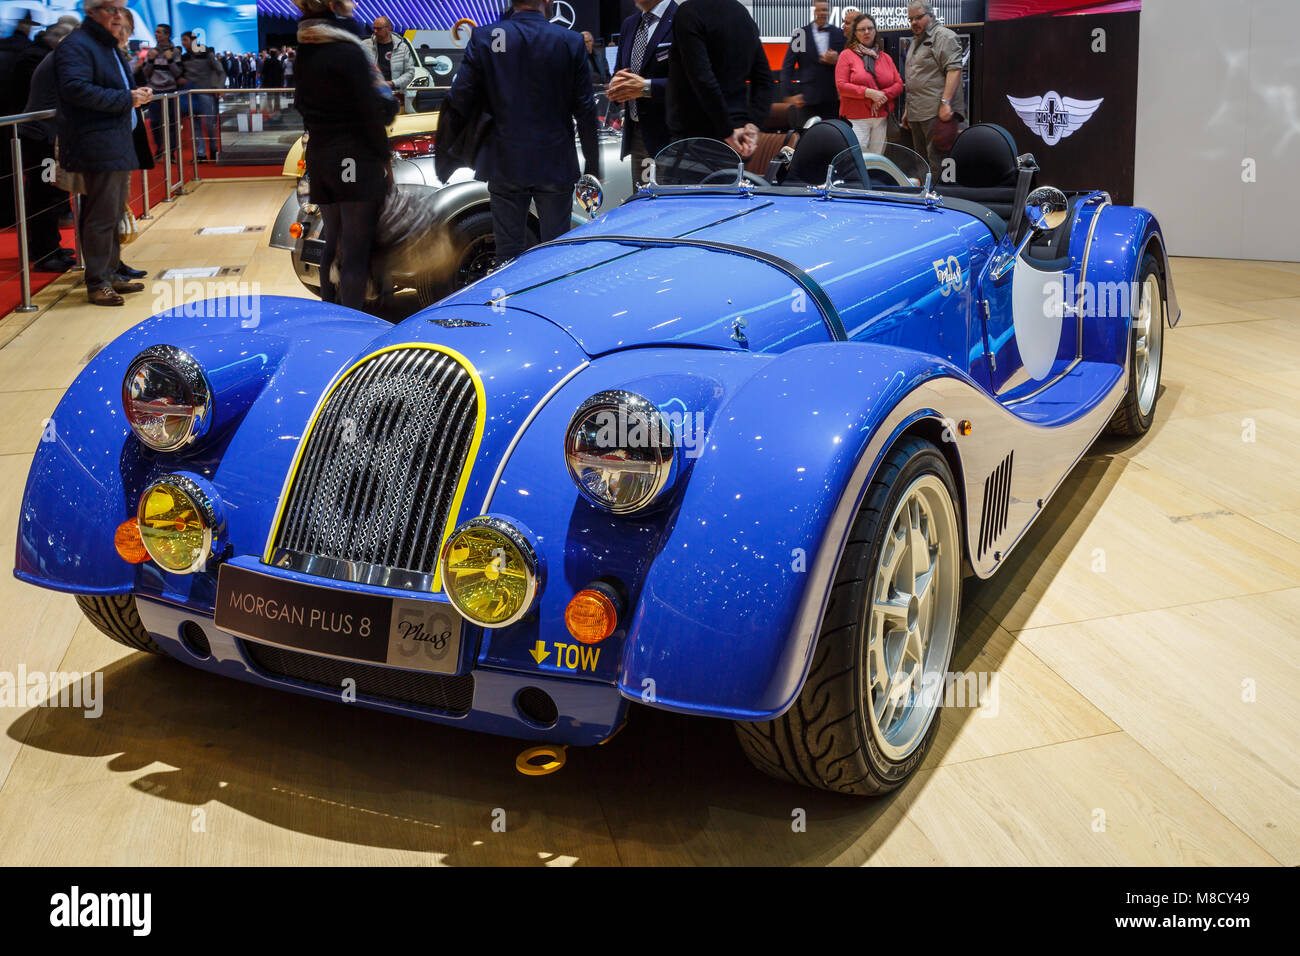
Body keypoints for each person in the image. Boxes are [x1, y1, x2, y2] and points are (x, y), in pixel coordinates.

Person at [445, 0, 600, 264]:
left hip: (504, 160)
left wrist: (462, 152)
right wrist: (593, 167)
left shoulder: (485, 37)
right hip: (554, 161)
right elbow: (585, 110)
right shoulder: (570, 41)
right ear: (547, 2)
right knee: (556, 254)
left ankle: (512, 303)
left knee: (508, 256)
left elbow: (460, 98)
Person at [293, 0, 398, 310]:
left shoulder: (305, 50)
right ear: (336, 9)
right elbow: (374, 110)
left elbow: (300, 103)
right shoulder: (349, 52)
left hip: (320, 155)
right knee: (354, 252)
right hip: (352, 156)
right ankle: (351, 330)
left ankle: (329, 310)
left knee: (332, 240)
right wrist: (383, 156)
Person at [53, 0, 153, 306]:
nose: (118, 16)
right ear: (92, 11)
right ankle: (97, 281)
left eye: (120, 10)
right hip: (96, 142)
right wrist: (127, 98)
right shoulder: (77, 45)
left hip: (114, 140)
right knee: (100, 215)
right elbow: (74, 89)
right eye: (111, 9)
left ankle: (110, 274)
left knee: (111, 214)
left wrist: (134, 96)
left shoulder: (104, 45)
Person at [665, 0, 774, 159]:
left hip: (696, 140)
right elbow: (765, 80)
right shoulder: (742, 13)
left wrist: (727, 130)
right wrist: (754, 125)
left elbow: (703, 79)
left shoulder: (689, 12)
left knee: (677, 183)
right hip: (740, 136)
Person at [18, 23, 76, 272]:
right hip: (42, 138)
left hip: (43, 135)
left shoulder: (59, 56)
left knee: (48, 195)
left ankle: (49, 247)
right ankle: (45, 253)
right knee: (45, 196)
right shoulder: (64, 58)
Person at [608, 0, 677, 185]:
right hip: (637, 134)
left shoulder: (681, 20)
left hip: (672, 138)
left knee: (669, 207)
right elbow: (620, 71)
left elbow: (691, 83)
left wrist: (646, 87)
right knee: (640, 205)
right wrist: (616, 86)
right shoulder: (629, 24)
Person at [901, 1, 964, 181]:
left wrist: (945, 103)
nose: (914, 22)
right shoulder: (916, 41)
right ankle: (926, 198)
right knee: (922, 162)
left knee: (940, 164)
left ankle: (944, 200)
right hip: (918, 112)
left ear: (931, 16)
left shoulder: (944, 37)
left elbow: (954, 70)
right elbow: (914, 78)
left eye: (918, 17)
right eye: (910, 19)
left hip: (936, 113)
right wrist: (907, 109)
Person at [836, 12, 900, 155]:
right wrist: (869, 93)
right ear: (855, 33)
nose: (866, 32)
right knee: (858, 161)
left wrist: (882, 96)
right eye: (861, 29)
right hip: (856, 118)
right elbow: (841, 86)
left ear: (875, 31)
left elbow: (898, 83)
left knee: (877, 162)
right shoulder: (846, 55)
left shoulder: (885, 57)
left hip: (881, 118)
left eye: (870, 28)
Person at [780, 0, 843, 125]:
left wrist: (838, 59)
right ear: (813, 11)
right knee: (807, 135)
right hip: (807, 99)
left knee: (833, 135)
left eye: (824, 9)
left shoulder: (839, 34)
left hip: (833, 98)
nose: (822, 13)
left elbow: (849, 62)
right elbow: (788, 67)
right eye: (819, 9)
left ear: (829, 11)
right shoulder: (801, 35)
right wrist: (789, 94)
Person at [136, 21, 183, 156]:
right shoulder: (152, 52)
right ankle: (159, 147)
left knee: (172, 123)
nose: (156, 34)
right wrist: (150, 60)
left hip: (170, 91)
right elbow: (145, 73)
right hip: (155, 91)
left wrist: (170, 60)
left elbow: (178, 73)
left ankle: (171, 151)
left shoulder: (175, 52)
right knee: (155, 122)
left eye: (159, 32)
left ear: (167, 35)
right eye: (155, 32)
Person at [180, 30, 225, 160]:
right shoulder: (184, 57)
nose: (183, 43)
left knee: (209, 123)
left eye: (185, 40)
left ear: (193, 40)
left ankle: (213, 148)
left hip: (206, 93)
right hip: (191, 95)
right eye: (182, 40)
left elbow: (220, 71)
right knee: (195, 124)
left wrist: (219, 87)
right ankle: (200, 153)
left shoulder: (207, 53)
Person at [362, 17, 414, 108]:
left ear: (389, 28)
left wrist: (393, 83)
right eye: (373, 28)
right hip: (371, 94)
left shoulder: (402, 47)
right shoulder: (364, 45)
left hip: (395, 95)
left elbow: (410, 72)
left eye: (378, 28)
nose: (375, 31)